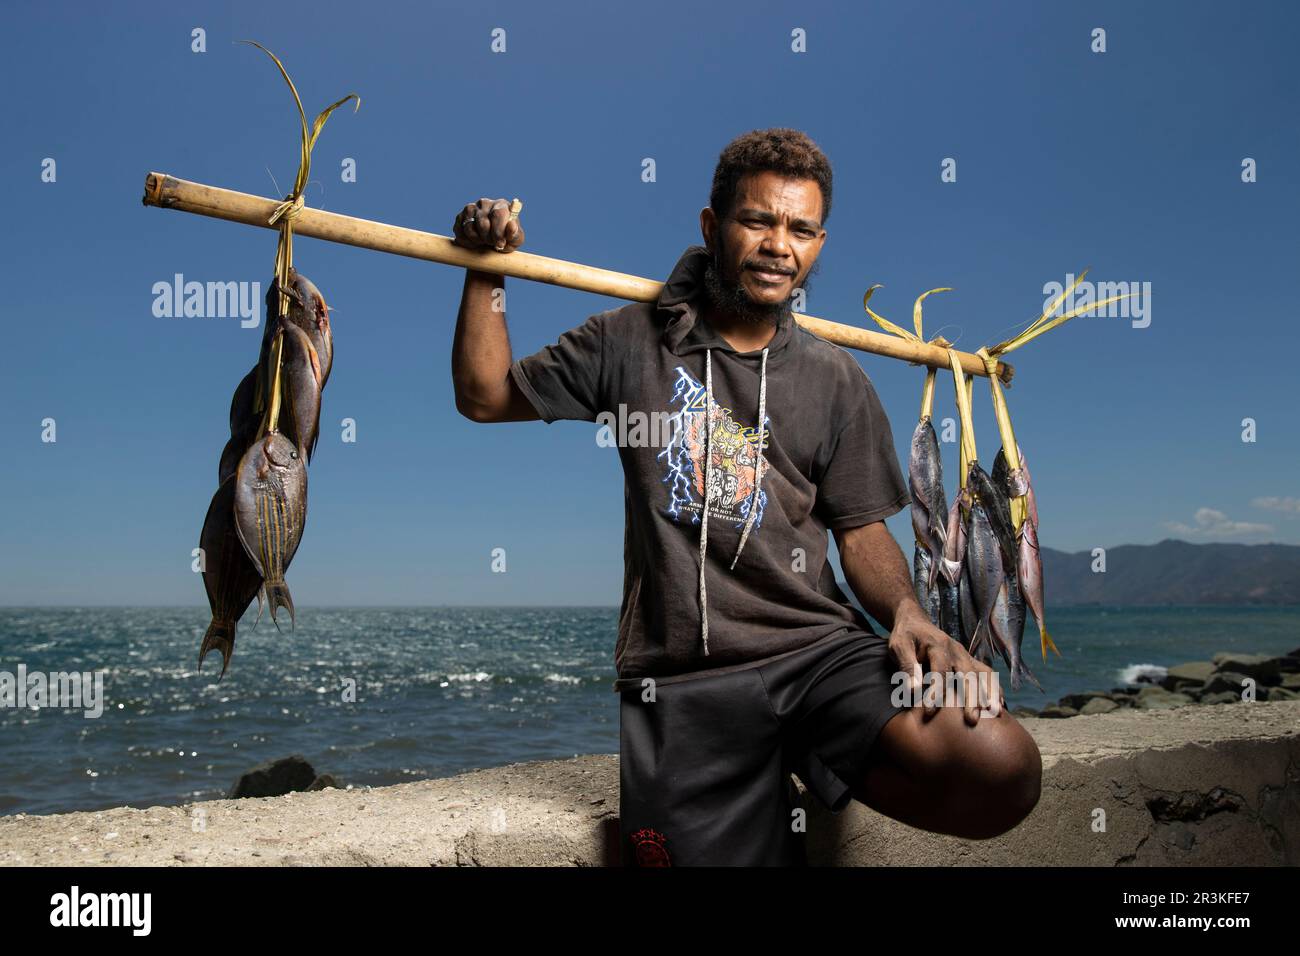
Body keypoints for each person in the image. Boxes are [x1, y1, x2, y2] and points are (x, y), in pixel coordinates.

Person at [450, 128, 1042, 866]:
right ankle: (760, 777)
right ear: (712, 226)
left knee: (1002, 766)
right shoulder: (627, 341)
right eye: (757, 221)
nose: (778, 246)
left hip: (819, 654)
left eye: (800, 229)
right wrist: (485, 271)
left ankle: (820, 752)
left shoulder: (835, 377)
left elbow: (862, 534)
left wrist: (910, 614)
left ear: (819, 243)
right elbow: (484, 395)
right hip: (684, 681)